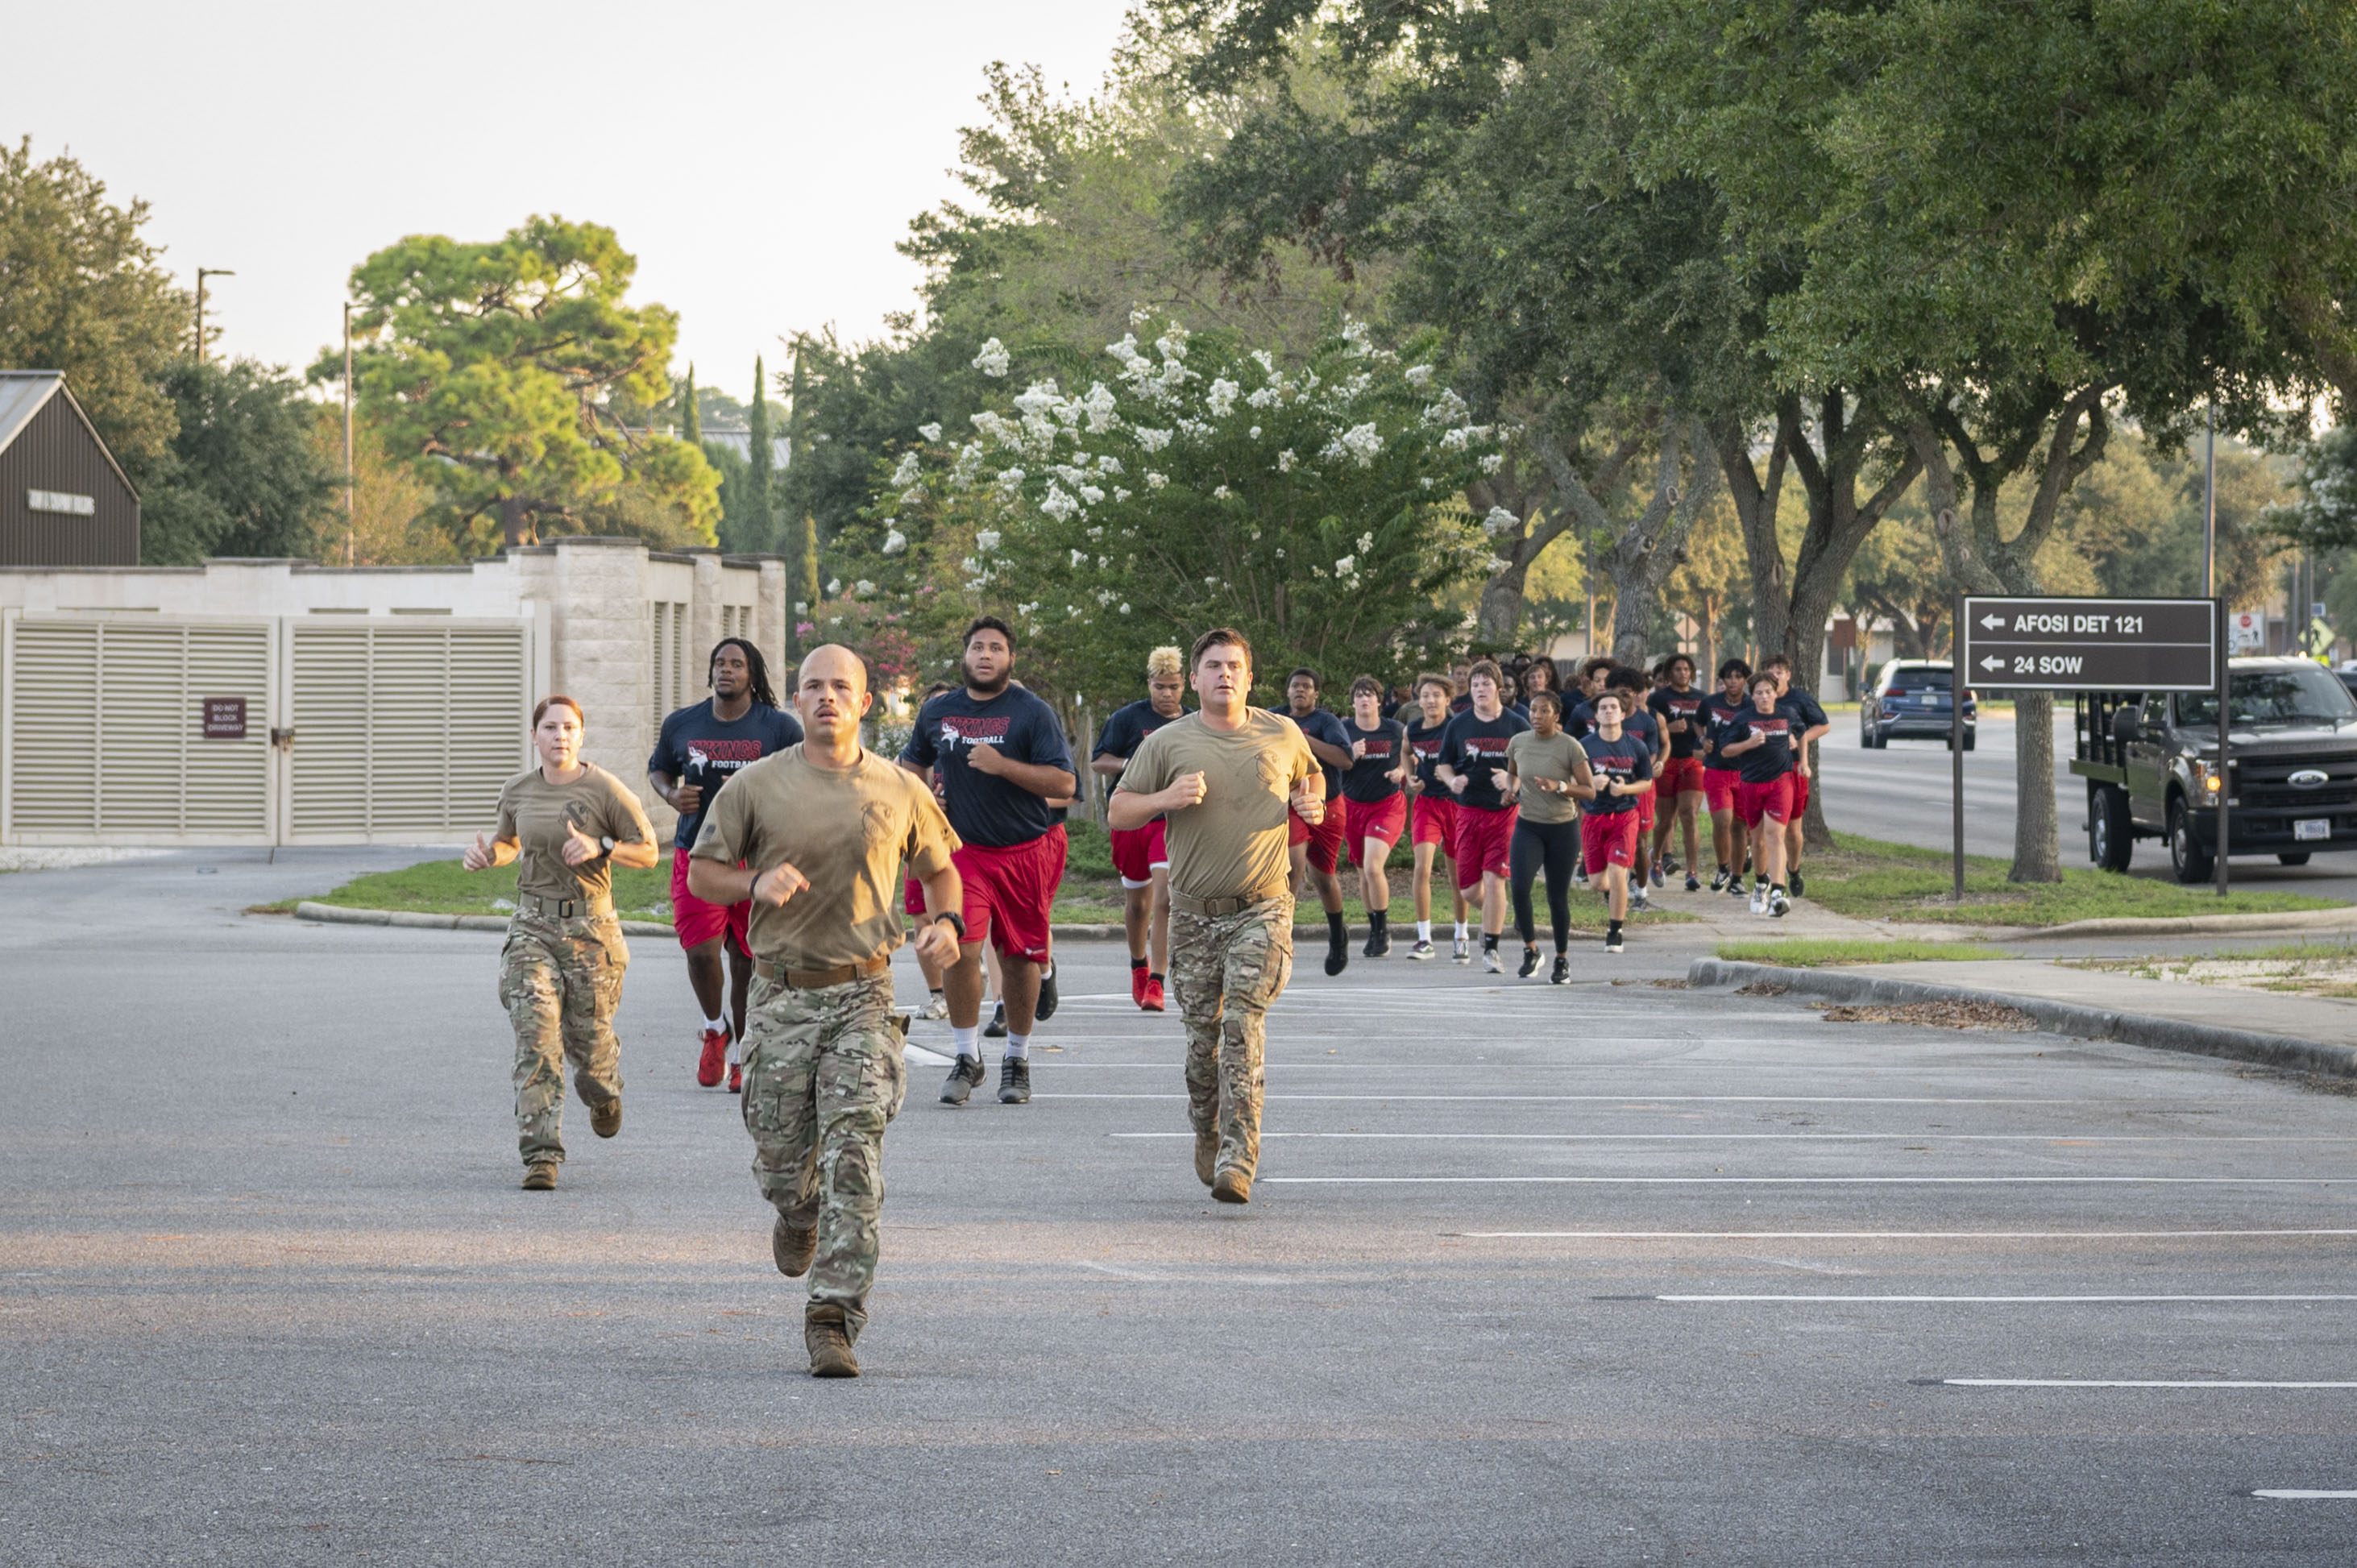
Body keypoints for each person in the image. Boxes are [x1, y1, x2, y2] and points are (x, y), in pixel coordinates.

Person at [687, 644, 963, 1379]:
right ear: (797, 701)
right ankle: (795, 1211)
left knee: (855, 1153)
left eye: (842, 687)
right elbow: (703, 874)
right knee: (783, 1161)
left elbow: (940, 871)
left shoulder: (900, 789)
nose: (828, 698)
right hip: (778, 995)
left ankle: (832, 1317)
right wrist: (752, 885)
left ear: (865, 701)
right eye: (814, 687)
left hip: (865, 993)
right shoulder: (754, 787)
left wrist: (946, 926)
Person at [1109, 627, 1321, 1205]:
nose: (1224, 674)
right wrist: (1164, 800)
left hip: (1263, 908)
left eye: (1234, 666)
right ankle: (1205, 1130)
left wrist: (1312, 800)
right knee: (1201, 1044)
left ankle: (1238, 1153)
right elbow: (1119, 810)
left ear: (1249, 678)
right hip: (1194, 916)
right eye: (1213, 666)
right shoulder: (1168, 743)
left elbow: (1311, 773)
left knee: (1241, 1027)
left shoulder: (1281, 732)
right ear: (1195, 679)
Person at [467, 696, 660, 1190]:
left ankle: (603, 1091)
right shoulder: (518, 790)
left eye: (569, 728)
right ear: (535, 736)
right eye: (550, 727)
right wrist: (490, 854)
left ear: (581, 735)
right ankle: (542, 1155)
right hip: (533, 926)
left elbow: (650, 852)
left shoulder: (605, 790)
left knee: (588, 1048)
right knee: (537, 1038)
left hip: (591, 933)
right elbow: (511, 841)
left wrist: (603, 846)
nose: (560, 736)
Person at [901, 617, 1077, 1108]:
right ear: (964, 656)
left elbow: (1064, 785)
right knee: (958, 944)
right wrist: (924, 799)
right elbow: (912, 762)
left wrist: (1003, 767)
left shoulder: (1031, 713)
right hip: (963, 853)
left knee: (1021, 958)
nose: (985, 655)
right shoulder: (940, 710)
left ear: (1010, 659)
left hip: (1023, 850)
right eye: (977, 647)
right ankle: (966, 1056)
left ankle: (1016, 1060)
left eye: (996, 648)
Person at [649, 639, 805, 1093]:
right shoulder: (683, 723)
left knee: (745, 959)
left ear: (752, 674)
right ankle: (714, 1027)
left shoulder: (777, 727)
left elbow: (803, 773)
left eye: (737, 664)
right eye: (720, 663)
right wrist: (671, 796)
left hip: (756, 856)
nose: (727, 671)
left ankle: (742, 1053)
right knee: (700, 951)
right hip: (697, 851)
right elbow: (659, 769)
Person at [1093, 647, 1189, 1011]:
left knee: (1165, 899)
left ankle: (1158, 980)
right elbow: (1098, 761)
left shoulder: (1193, 722)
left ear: (1186, 685)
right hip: (1133, 817)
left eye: (1174, 687)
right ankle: (1138, 964)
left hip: (1171, 821)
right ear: (1149, 684)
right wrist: (1131, 762)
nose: (1167, 694)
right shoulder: (1126, 719)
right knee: (1138, 904)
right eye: (1160, 687)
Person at [1435, 659, 1531, 973]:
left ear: (1498, 689)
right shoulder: (1458, 724)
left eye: (1486, 684)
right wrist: (1453, 781)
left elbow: (1532, 765)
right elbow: (1444, 764)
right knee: (1468, 890)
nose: (1479, 689)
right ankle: (1496, 917)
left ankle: (1492, 949)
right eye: (1475, 684)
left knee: (1495, 880)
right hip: (1468, 812)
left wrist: (1512, 781)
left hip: (1504, 813)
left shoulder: (1517, 725)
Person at [1272, 667, 1355, 976]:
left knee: (1323, 878)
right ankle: (1282, 937)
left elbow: (1345, 759)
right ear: (1288, 691)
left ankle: (1337, 935)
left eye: (1307, 687)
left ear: (1316, 694)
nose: (1300, 691)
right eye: (1295, 686)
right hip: (1291, 803)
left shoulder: (1326, 722)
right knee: (1293, 866)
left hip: (1327, 803)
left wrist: (1301, 741)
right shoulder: (1275, 718)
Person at [1504, 690, 1586, 983]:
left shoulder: (1570, 747)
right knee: (1519, 886)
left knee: (1556, 896)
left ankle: (1562, 960)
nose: (1536, 716)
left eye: (1543, 711)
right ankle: (1531, 950)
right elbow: (1512, 775)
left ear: (1556, 715)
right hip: (1528, 825)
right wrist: (1509, 791)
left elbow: (1589, 790)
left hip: (1563, 829)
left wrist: (1561, 786)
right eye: (1533, 710)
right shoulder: (1518, 743)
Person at [1572, 691, 1654, 953]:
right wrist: (1590, 784)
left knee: (1618, 871)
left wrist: (1626, 790)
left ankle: (1615, 930)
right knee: (1598, 882)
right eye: (1603, 708)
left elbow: (1647, 781)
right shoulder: (1584, 747)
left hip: (1624, 816)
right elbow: (1570, 783)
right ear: (1596, 716)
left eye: (1613, 707)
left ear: (1622, 713)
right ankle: (1614, 893)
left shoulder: (1636, 746)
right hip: (1594, 817)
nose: (1608, 711)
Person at [1339, 675, 1412, 956]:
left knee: (1372, 866)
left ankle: (1382, 931)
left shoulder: (1395, 729)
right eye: (1359, 695)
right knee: (1363, 872)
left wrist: (1402, 772)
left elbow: (1411, 756)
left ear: (1380, 700)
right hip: (1353, 806)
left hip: (1387, 805)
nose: (1364, 699)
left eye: (1369, 694)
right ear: (1353, 701)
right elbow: (1331, 767)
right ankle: (1374, 929)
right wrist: (1349, 756)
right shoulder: (1343, 730)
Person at [1401, 671, 1470, 960]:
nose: (1430, 700)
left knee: (1457, 876)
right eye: (1425, 695)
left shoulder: (1457, 728)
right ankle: (1424, 938)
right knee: (1422, 868)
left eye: (1436, 695)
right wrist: (1409, 776)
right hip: (1427, 803)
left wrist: (1456, 778)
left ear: (1447, 699)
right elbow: (1405, 752)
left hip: (1455, 804)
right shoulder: (1413, 729)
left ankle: (1461, 935)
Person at [900, 680, 957, 1020]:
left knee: (958, 916)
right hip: (921, 844)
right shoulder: (910, 757)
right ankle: (938, 996)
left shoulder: (965, 752)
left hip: (965, 844)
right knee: (922, 920)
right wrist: (926, 800)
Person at [1720, 671, 1797, 916]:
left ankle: (1778, 890)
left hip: (1781, 781)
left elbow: (1801, 733)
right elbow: (1726, 751)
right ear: (1752, 696)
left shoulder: (1787, 714)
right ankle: (1761, 883)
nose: (1764, 696)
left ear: (1776, 693)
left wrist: (1797, 746)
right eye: (1759, 693)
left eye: (1768, 692)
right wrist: (1748, 744)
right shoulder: (1744, 719)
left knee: (1775, 834)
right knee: (1758, 838)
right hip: (1752, 783)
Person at [1763, 653, 1831, 898]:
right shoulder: (1759, 699)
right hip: (1765, 769)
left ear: (1788, 675)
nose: (1775, 676)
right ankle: (1769, 879)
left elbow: (1823, 725)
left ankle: (1794, 869)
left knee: (1792, 831)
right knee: (1766, 830)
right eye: (1770, 671)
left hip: (1793, 769)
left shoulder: (1799, 699)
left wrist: (1800, 739)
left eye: (1779, 672)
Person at [1605, 668, 1666, 910]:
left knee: (1641, 842)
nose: (1623, 699)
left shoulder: (1646, 721)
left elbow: (1652, 753)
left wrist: (1637, 775)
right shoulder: (1603, 717)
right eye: (1619, 693)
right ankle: (1611, 888)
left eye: (1629, 694)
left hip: (1639, 788)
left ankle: (1641, 891)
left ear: (1637, 694)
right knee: (1609, 839)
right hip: (1608, 790)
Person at [1646, 654, 1708, 892]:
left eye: (1686, 669)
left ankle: (1692, 872)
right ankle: (1658, 859)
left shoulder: (1702, 699)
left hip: (1692, 762)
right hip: (1667, 764)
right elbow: (1650, 730)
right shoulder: (1659, 699)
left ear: (1691, 673)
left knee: (1689, 814)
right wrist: (1668, 729)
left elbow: (1707, 728)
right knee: (1665, 820)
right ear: (1670, 673)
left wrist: (1707, 746)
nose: (1682, 673)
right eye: (1678, 669)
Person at [1701, 658, 1753, 896]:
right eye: (1729, 677)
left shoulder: (1751, 706)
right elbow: (1698, 724)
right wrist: (1703, 740)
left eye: (1738, 677)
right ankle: (1722, 868)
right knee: (1722, 820)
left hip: (1744, 772)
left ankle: (1737, 877)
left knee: (1740, 826)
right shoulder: (1710, 703)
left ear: (1745, 680)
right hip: (1716, 769)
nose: (1733, 681)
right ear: (1722, 680)